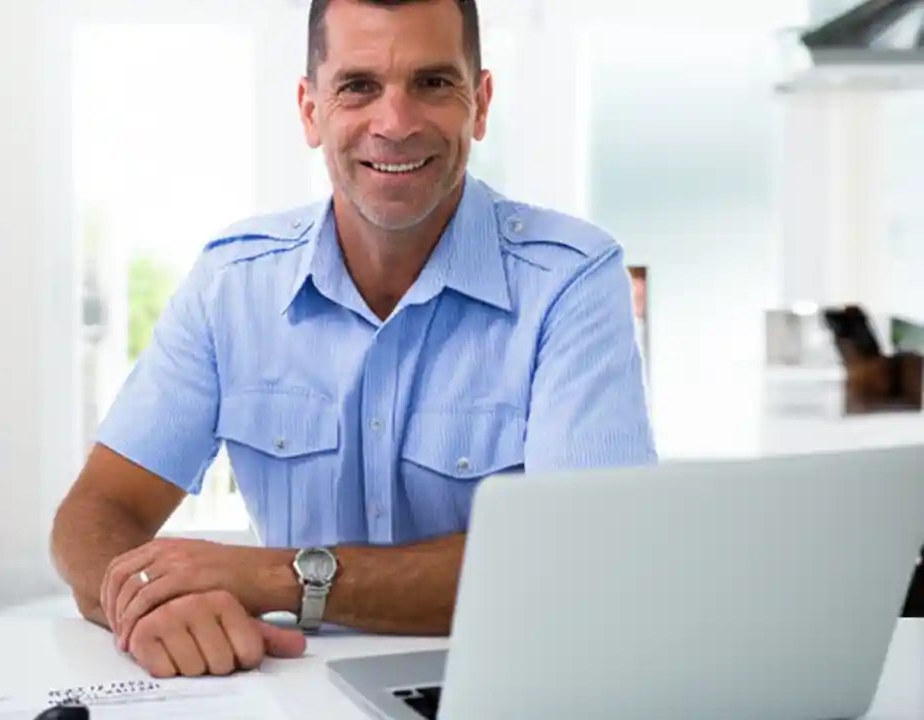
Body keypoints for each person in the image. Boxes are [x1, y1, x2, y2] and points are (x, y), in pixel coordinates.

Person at [50, 0, 657, 680]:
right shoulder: (233, 283)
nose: (394, 125)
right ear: (311, 110)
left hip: (511, 683)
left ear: (480, 104)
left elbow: (586, 560)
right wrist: (146, 600)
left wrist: (281, 578)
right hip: (287, 684)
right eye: (358, 86)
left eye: (432, 83)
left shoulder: (572, 281)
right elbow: (98, 510)